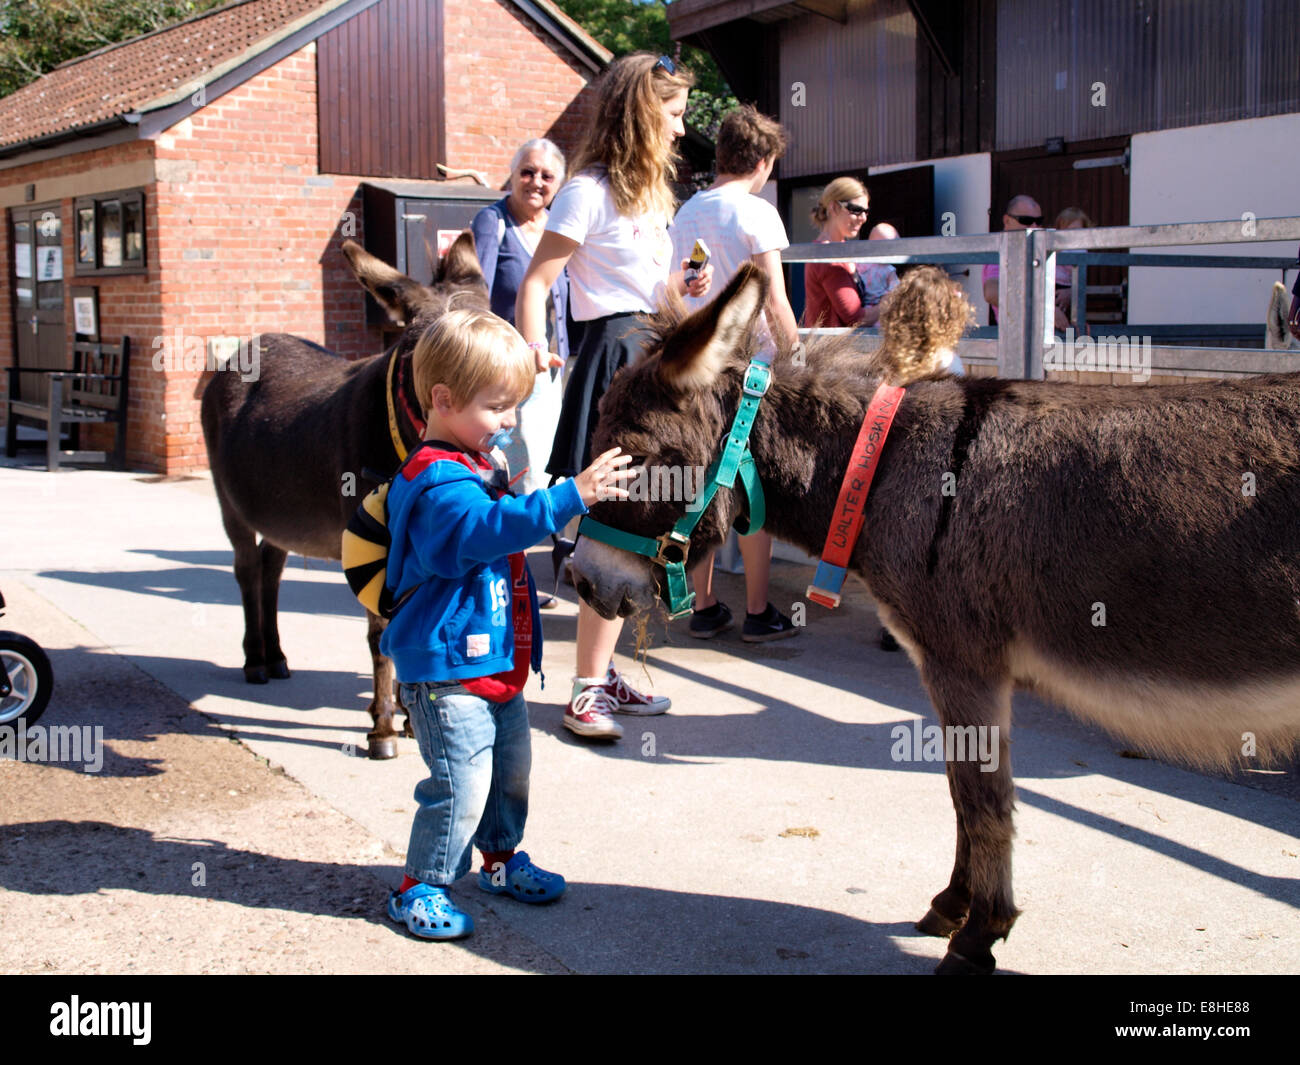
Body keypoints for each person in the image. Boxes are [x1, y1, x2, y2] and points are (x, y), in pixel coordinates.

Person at [381, 307, 632, 940]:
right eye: (498, 407)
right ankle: (421, 886)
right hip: (446, 673)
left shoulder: (475, 465)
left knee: (507, 775)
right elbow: (481, 532)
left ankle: (497, 860)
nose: (510, 420)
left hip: (491, 663)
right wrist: (568, 495)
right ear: (443, 400)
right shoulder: (436, 480)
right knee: (460, 783)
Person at [516, 53, 712, 741]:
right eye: (676, 112)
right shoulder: (586, 191)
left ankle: (603, 674)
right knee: (611, 524)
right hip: (612, 362)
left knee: (642, 522)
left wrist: (684, 294)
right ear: (641, 110)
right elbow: (538, 281)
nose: (683, 129)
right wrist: (535, 347)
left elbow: (653, 289)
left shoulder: (654, 195)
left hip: (650, 355)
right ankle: (584, 690)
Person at [669, 103, 799, 642]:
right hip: (754, 369)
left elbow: (690, 284)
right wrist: (796, 359)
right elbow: (774, 298)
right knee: (752, 490)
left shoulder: (688, 214)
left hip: (703, 367)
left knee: (704, 482)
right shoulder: (756, 212)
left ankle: (702, 606)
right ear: (763, 161)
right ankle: (758, 610)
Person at [470, 139, 570, 498]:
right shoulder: (493, 222)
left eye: (547, 175)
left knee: (548, 459)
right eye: (527, 172)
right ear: (512, 176)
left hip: (554, 369)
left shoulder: (558, 228)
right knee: (522, 463)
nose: (536, 182)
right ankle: (521, 543)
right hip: (510, 368)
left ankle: (549, 539)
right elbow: (475, 294)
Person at [982, 194, 1068, 331]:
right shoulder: (1001, 251)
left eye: (1039, 221)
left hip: (1051, 336)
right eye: (1026, 220)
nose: (1034, 227)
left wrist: (1070, 293)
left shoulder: (1040, 249)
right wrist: (1044, 308)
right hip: (1018, 339)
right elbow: (992, 292)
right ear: (1007, 221)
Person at [801, 176, 874, 328]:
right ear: (834, 208)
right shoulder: (826, 256)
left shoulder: (838, 250)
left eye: (866, 212)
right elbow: (855, 317)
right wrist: (890, 302)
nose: (863, 218)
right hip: (830, 350)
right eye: (856, 210)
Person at [1052, 206, 1093, 329]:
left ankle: (1073, 331)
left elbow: (1077, 272)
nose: (1071, 236)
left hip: (1067, 286)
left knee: (1071, 313)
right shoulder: (1055, 245)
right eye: (1066, 231)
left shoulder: (1080, 250)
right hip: (1051, 285)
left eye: (1076, 231)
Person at [857, 221, 901, 310]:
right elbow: (897, 290)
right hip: (880, 308)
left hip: (862, 307)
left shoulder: (859, 263)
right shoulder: (888, 270)